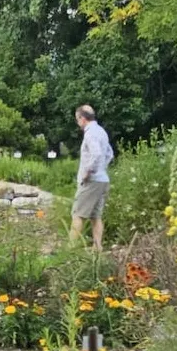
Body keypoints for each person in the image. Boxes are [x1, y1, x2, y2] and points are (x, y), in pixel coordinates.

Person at [70, 103, 114, 250]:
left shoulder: (90, 133)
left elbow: (96, 154)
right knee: (96, 217)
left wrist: (87, 172)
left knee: (78, 214)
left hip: (92, 181)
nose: (78, 123)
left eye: (77, 119)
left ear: (82, 118)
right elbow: (109, 154)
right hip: (103, 179)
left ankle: (69, 249)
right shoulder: (101, 131)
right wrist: (102, 168)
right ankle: (97, 249)